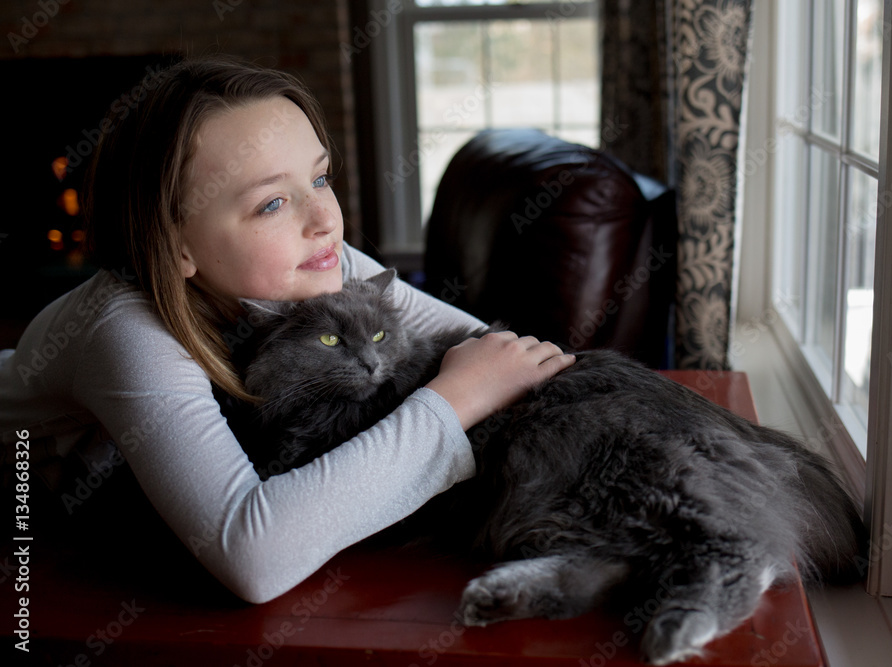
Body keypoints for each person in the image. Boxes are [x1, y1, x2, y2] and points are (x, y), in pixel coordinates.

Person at [0, 56, 575, 604]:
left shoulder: (319, 259)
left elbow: (493, 353)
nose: (326, 220)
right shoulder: (126, 332)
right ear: (176, 246)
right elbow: (254, 557)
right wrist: (450, 403)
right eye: (272, 203)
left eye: (320, 178)